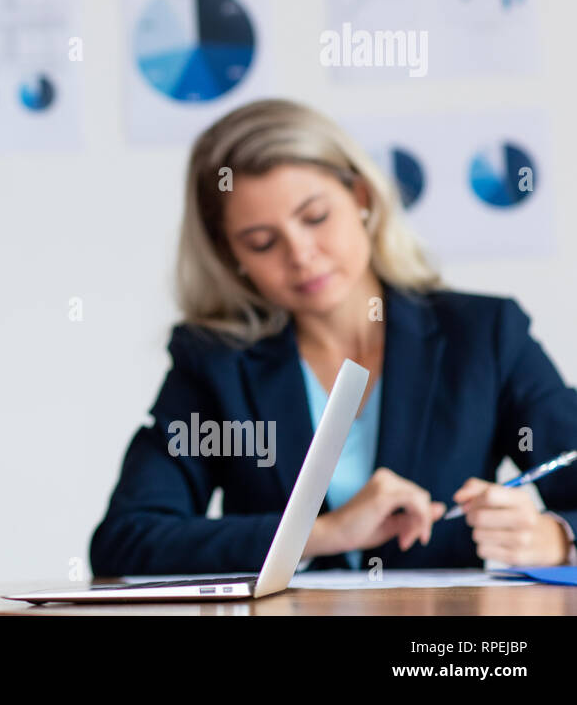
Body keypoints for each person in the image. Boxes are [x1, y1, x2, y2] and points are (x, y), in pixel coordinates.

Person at [90, 98, 577, 575]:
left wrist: (556, 538)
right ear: (229, 253)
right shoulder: (215, 361)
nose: (301, 254)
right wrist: (322, 532)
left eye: (316, 217)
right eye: (262, 242)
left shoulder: (484, 334)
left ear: (361, 198)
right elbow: (126, 539)